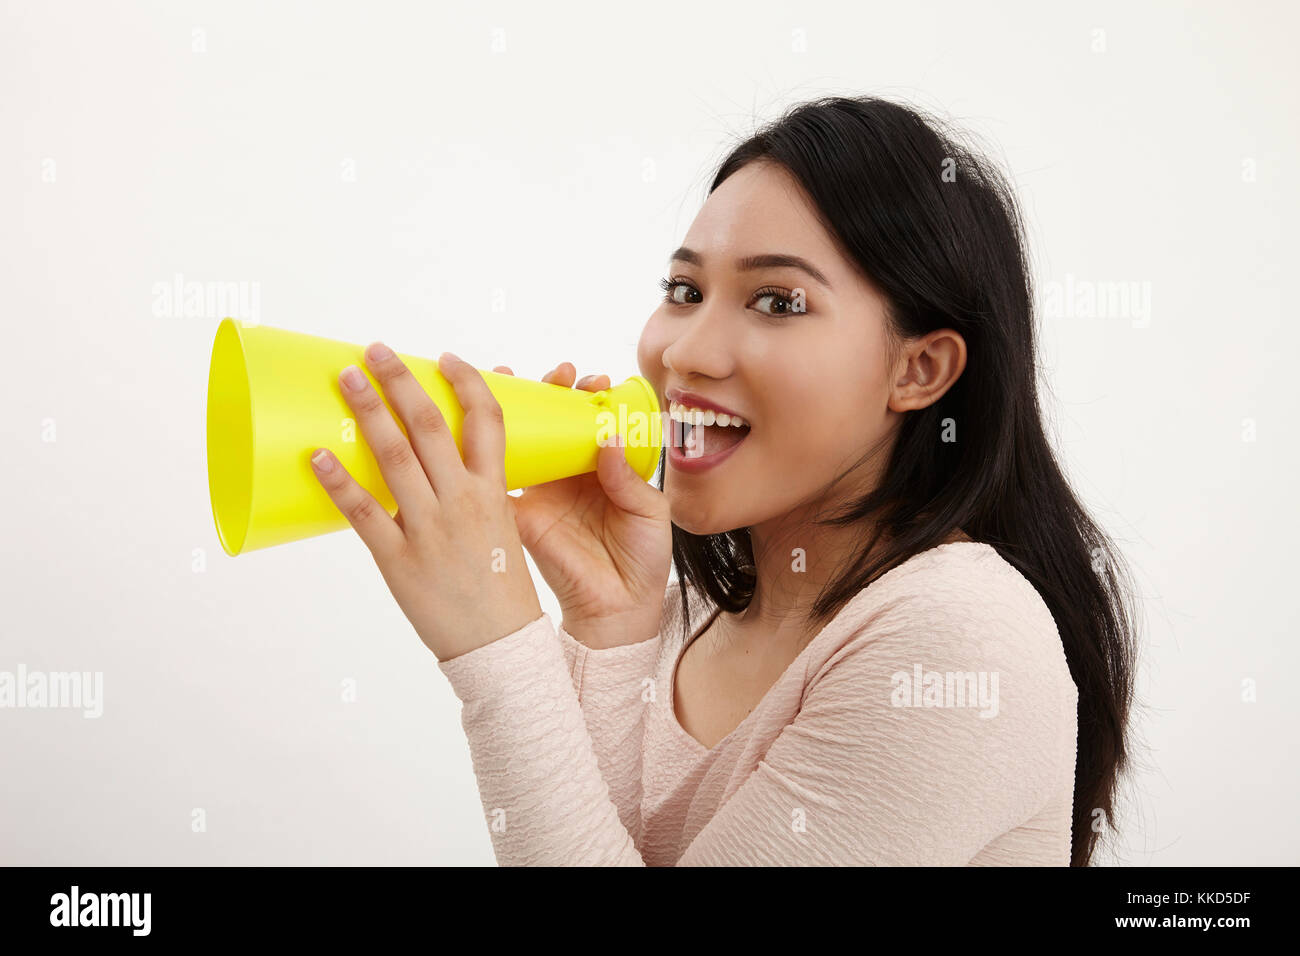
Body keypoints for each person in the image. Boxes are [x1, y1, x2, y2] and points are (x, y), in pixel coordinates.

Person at [309, 94, 1140, 866]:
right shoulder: (695, 618)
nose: (685, 353)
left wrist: (495, 646)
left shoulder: (959, 638)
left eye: (777, 302)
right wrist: (611, 626)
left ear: (919, 370)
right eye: (684, 289)